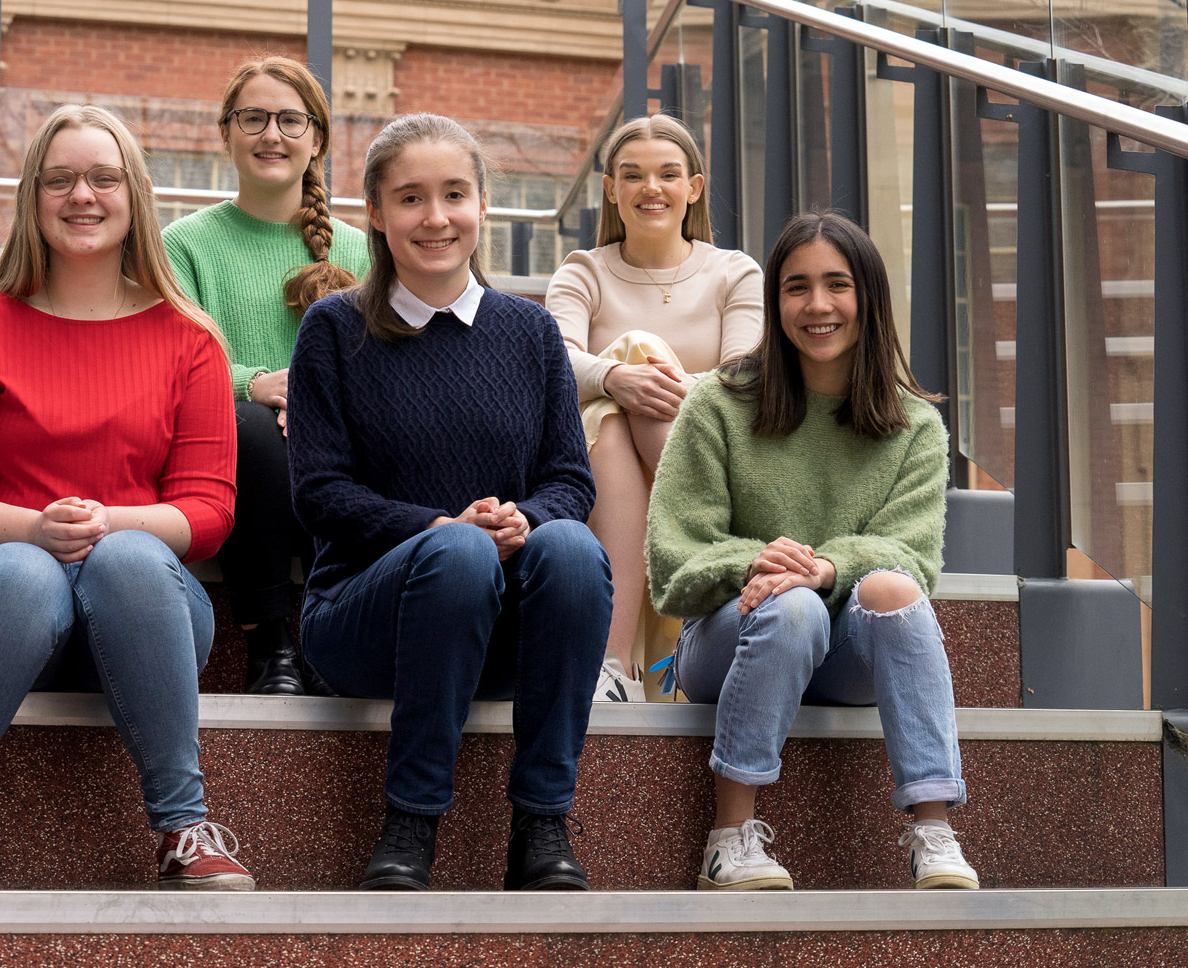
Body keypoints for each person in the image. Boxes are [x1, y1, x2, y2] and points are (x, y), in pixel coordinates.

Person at [0, 104, 254, 892]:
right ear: (33, 198)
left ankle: (182, 826)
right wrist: (34, 528)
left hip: (141, 618)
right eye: (59, 179)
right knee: (25, 570)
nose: (82, 196)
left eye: (103, 177)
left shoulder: (188, 336)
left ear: (135, 196)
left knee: (130, 555)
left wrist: (102, 524)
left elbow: (207, 513)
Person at [287, 113, 611, 892]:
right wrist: (441, 529)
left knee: (571, 546)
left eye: (454, 195)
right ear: (373, 213)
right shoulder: (333, 331)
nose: (435, 218)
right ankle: (411, 820)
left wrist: (524, 520)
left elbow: (572, 480)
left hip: (499, 633)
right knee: (459, 552)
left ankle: (541, 824)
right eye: (410, 199)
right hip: (365, 621)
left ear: (482, 204)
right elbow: (321, 494)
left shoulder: (531, 333)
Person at [647, 210, 979, 892]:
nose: (818, 305)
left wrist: (828, 566)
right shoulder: (718, 402)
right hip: (730, 638)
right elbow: (675, 562)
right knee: (794, 604)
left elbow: (911, 554)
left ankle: (932, 830)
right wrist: (763, 565)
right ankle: (729, 837)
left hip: (849, 652)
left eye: (838, 284)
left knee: (893, 591)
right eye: (797, 287)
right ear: (775, 302)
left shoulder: (914, 424)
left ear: (869, 298)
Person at [163, 56, 370, 695]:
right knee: (250, 427)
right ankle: (273, 645)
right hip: (236, 438)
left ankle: (341, 634)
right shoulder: (182, 243)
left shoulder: (362, 248)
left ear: (317, 140)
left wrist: (317, 399)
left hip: (332, 436)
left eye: (288, 119)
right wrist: (256, 384)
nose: (271, 134)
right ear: (227, 134)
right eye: (252, 118)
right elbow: (172, 357)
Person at [546, 114, 761, 703]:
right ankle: (703, 575)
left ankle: (611, 663)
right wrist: (618, 377)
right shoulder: (583, 271)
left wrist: (661, 386)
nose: (651, 188)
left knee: (644, 369)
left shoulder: (734, 271)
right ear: (611, 189)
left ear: (692, 187)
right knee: (615, 406)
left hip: (709, 445)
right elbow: (554, 361)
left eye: (668, 174)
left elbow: (742, 374)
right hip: (600, 456)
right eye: (632, 175)